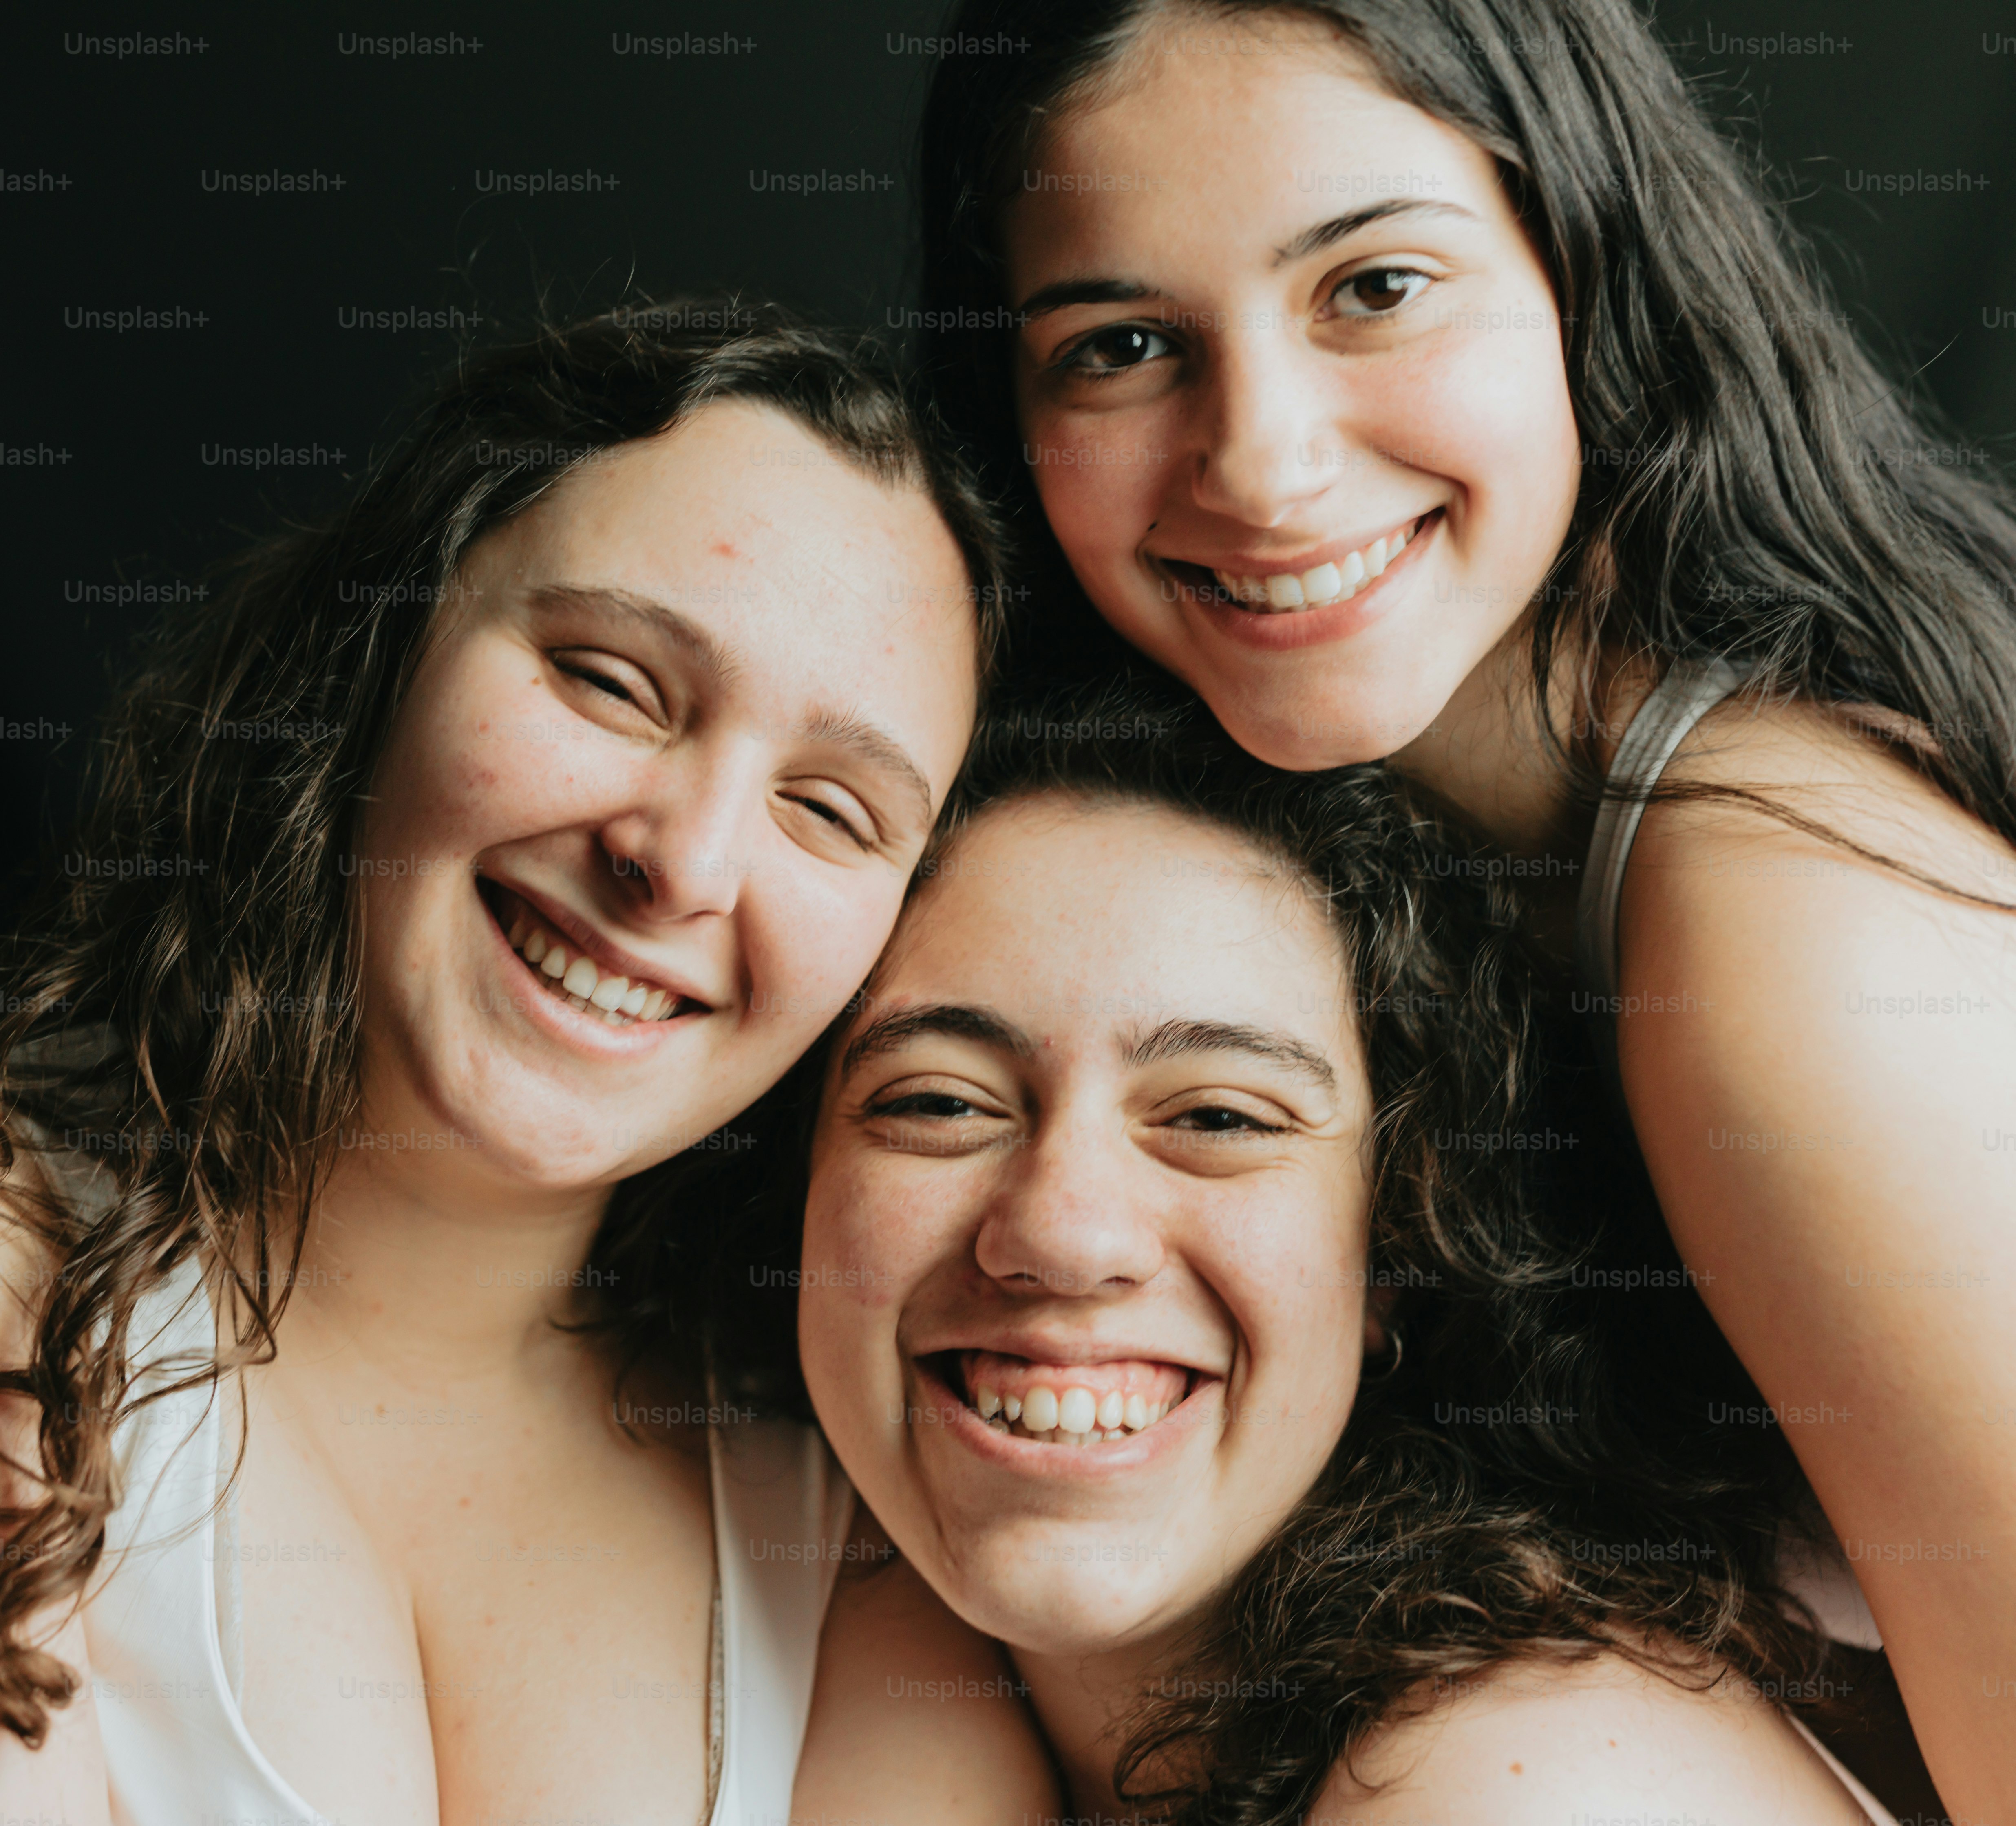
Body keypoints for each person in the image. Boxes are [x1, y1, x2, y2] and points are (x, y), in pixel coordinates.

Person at [916, 3, 2016, 1812]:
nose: (1260, 462)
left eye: (1373, 288)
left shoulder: (1780, 934)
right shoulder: (1294, 890)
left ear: (1584, 258)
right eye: (1120, 343)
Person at [0, 303, 1057, 1824]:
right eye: (612, 683)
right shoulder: (31, 1276)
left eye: (830, 809)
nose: (682, 863)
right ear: (381, 651)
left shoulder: (851, 1540)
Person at [781, 684, 1899, 1823]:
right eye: (940, 1104)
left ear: (1400, 1251)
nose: (1062, 1234)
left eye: (1220, 1119)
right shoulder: (844, 1623)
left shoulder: (1518, 1778)